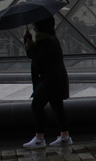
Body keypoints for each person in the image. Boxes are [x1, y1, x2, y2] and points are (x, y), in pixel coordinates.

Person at [22, 18, 72, 148]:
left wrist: (29, 44)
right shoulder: (48, 39)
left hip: (51, 79)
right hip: (55, 78)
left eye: (35, 25)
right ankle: (65, 136)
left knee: (37, 105)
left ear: (41, 27)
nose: (33, 28)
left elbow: (38, 59)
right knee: (57, 107)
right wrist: (30, 42)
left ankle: (40, 138)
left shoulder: (47, 41)